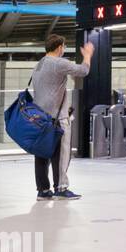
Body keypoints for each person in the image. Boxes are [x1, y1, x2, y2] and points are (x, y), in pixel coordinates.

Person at [30, 34, 93, 200]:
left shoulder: (39, 64)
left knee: (42, 154)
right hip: (57, 118)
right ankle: (61, 187)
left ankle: (43, 190)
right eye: (63, 47)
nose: (63, 50)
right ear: (59, 47)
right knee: (62, 153)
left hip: (39, 118)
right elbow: (83, 71)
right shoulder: (59, 63)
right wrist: (87, 56)